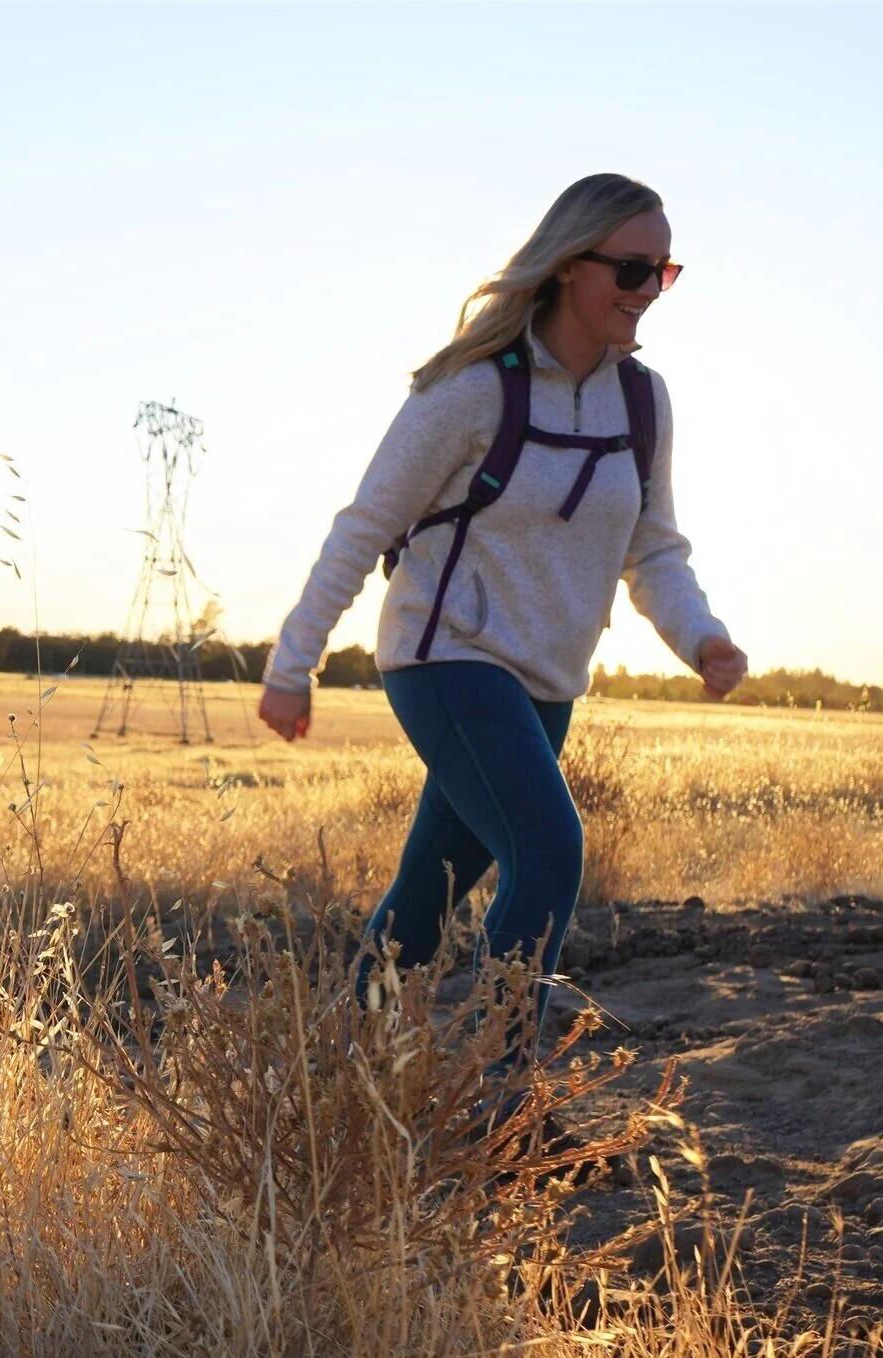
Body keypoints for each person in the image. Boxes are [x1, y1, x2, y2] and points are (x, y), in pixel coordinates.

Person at [258, 173, 747, 1043]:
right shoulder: (474, 390)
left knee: (426, 896)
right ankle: (499, 1089)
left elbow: (653, 547)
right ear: (569, 266)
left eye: (663, 273)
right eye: (632, 271)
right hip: (446, 656)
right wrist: (293, 665)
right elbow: (365, 525)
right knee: (551, 853)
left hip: (548, 682)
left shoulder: (642, 401)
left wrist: (700, 636)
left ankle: (346, 1069)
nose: (649, 292)